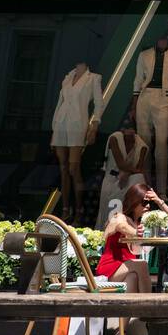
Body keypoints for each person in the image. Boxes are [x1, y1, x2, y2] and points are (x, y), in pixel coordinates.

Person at [97, 184, 168, 335]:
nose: (147, 207)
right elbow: (121, 227)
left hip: (125, 270)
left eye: (149, 203)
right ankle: (149, 315)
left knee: (132, 279)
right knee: (142, 265)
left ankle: (120, 334)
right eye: (144, 203)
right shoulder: (120, 217)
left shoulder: (141, 220)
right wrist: (137, 233)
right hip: (109, 269)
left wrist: (158, 200)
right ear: (133, 202)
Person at [130, 36, 168, 197]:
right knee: (144, 144)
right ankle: (145, 188)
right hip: (145, 96)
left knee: (161, 145)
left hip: (165, 98)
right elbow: (138, 80)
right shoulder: (145, 54)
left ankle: (162, 191)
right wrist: (134, 106)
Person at [50, 62, 103, 224]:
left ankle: (79, 210)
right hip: (61, 124)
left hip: (78, 124)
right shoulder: (67, 77)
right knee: (64, 168)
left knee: (74, 168)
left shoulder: (93, 78)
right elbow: (60, 102)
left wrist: (94, 125)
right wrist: (54, 128)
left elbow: (99, 103)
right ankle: (66, 210)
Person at [97, 124, 149, 229]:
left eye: (132, 129)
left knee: (139, 178)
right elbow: (120, 164)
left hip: (128, 181)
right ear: (123, 130)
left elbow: (139, 169)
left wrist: (128, 173)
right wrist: (127, 171)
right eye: (127, 129)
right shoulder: (114, 138)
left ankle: (130, 227)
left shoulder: (142, 146)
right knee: (107, 214)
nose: (130, 131)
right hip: (112, 178)